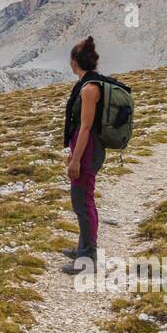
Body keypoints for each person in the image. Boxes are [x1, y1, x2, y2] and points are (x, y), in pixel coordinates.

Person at [61, 36, 106, 274]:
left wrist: (76, 159)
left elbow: (86, 127)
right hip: (86, 148)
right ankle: (84, 247)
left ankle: (88, 259)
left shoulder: (89, 89)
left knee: (81, 201)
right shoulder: (89, 83)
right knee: (84, 198)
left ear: (75, 62)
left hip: (88, 150)